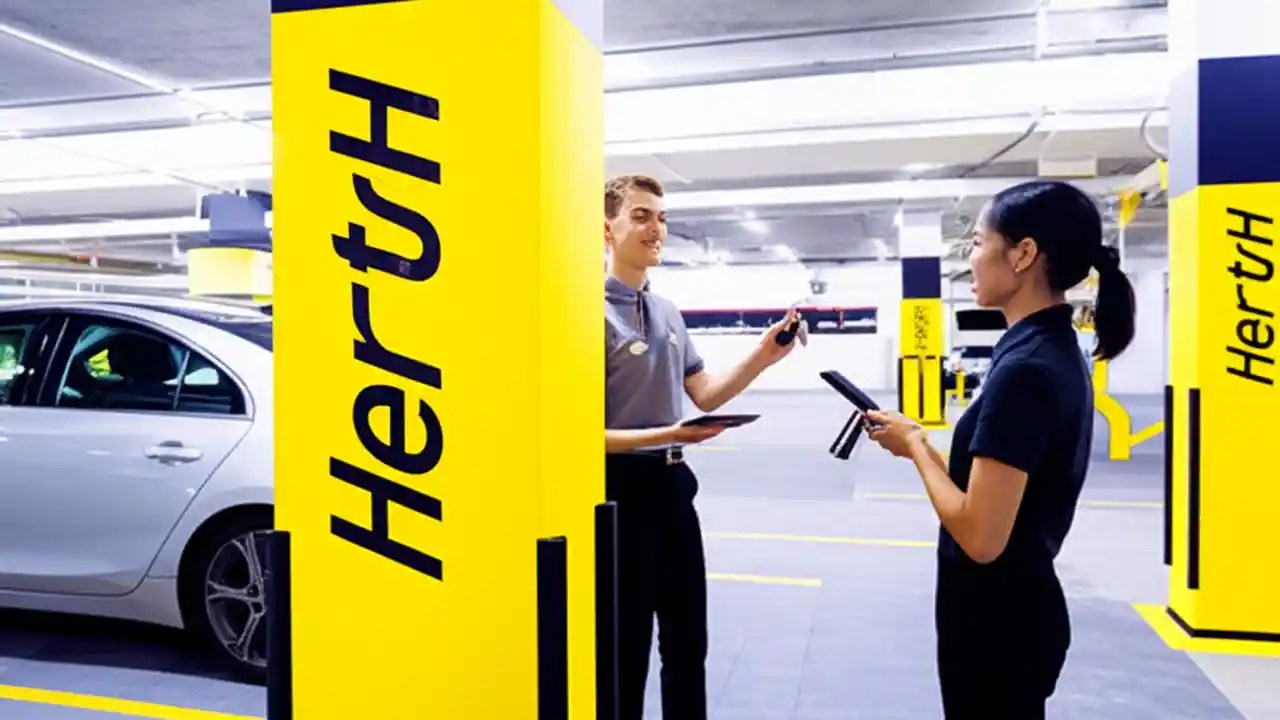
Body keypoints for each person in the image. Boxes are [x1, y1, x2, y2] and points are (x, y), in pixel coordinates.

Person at [863, 180, 1136, 719]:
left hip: (998, 627)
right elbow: (989, 493)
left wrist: (917, 445)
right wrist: (917, 447)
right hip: (1014, 616)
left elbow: (982, 537)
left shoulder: (1025, 372)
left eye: (978, 242)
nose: (970, 257)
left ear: (1024, 255)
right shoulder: (1048, 350)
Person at [603, 174, 799, 720]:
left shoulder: (667, 310)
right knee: (627, 652)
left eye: (661, 217)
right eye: (641, 216)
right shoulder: (586, 313)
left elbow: (705, 393)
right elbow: (581, 436)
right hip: (621, 496)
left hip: (673, 492)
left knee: (688, 646)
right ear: (607, 227)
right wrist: (670, 433)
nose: (656, 228)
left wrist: (762, 356)